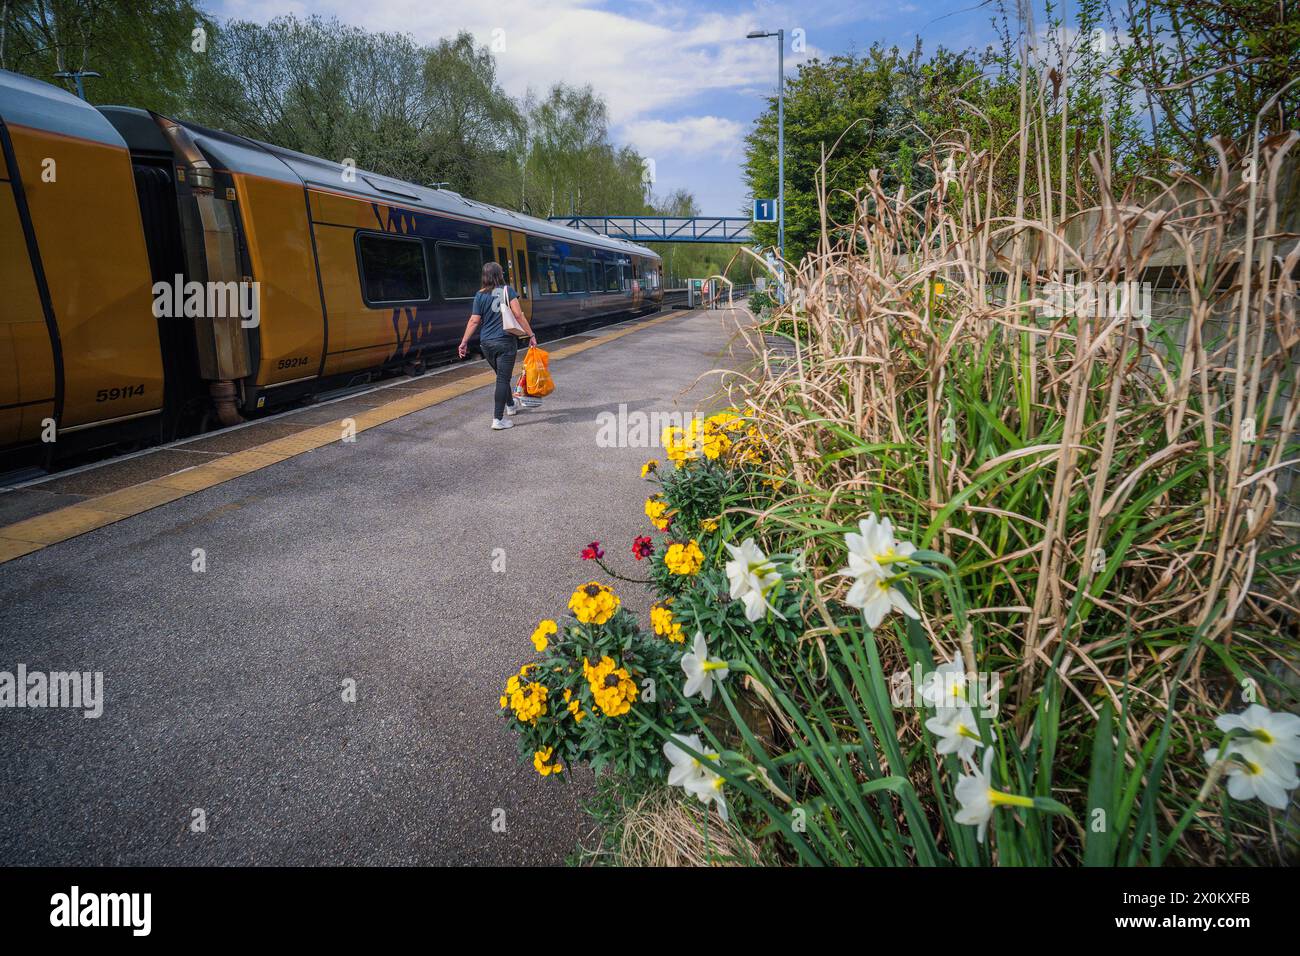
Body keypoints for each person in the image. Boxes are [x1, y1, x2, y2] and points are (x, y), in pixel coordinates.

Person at [458, 262, 536, 430]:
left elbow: (474, 321)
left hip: (486, 343)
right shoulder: (508, 291)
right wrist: (531, 335)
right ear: (499, 275)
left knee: (502, 376)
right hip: (505, 341)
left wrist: (464, 341)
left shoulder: (479, 295)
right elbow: (518, 315)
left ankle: (510, 405)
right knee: (503, 379)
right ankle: (498, 419)